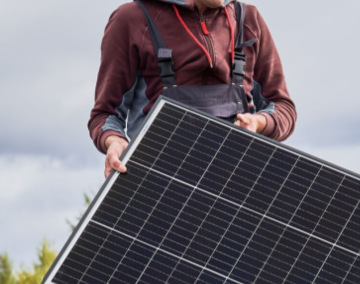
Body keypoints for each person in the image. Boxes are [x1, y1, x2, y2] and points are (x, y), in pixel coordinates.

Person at [89, 0, 296, 179]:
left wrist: (258, 122)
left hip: (239, 188)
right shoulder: (131, 19)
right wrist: (115, 141)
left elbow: (282, 107)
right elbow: (106, 115)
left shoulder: (248, 19)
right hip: (156, 188)